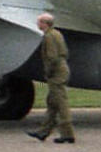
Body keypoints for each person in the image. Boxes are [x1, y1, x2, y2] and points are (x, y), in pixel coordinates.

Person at [27, 12, 74, 143]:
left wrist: (48, 72)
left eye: (39, 22)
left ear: (44, 24)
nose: (37, 24)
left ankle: (67, 134)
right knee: (52, 103)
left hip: (56, 72)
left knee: (60, 103)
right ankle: (43, 132)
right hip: (62, 69)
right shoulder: (57, 33)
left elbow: (52, 57)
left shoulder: (49, 37)